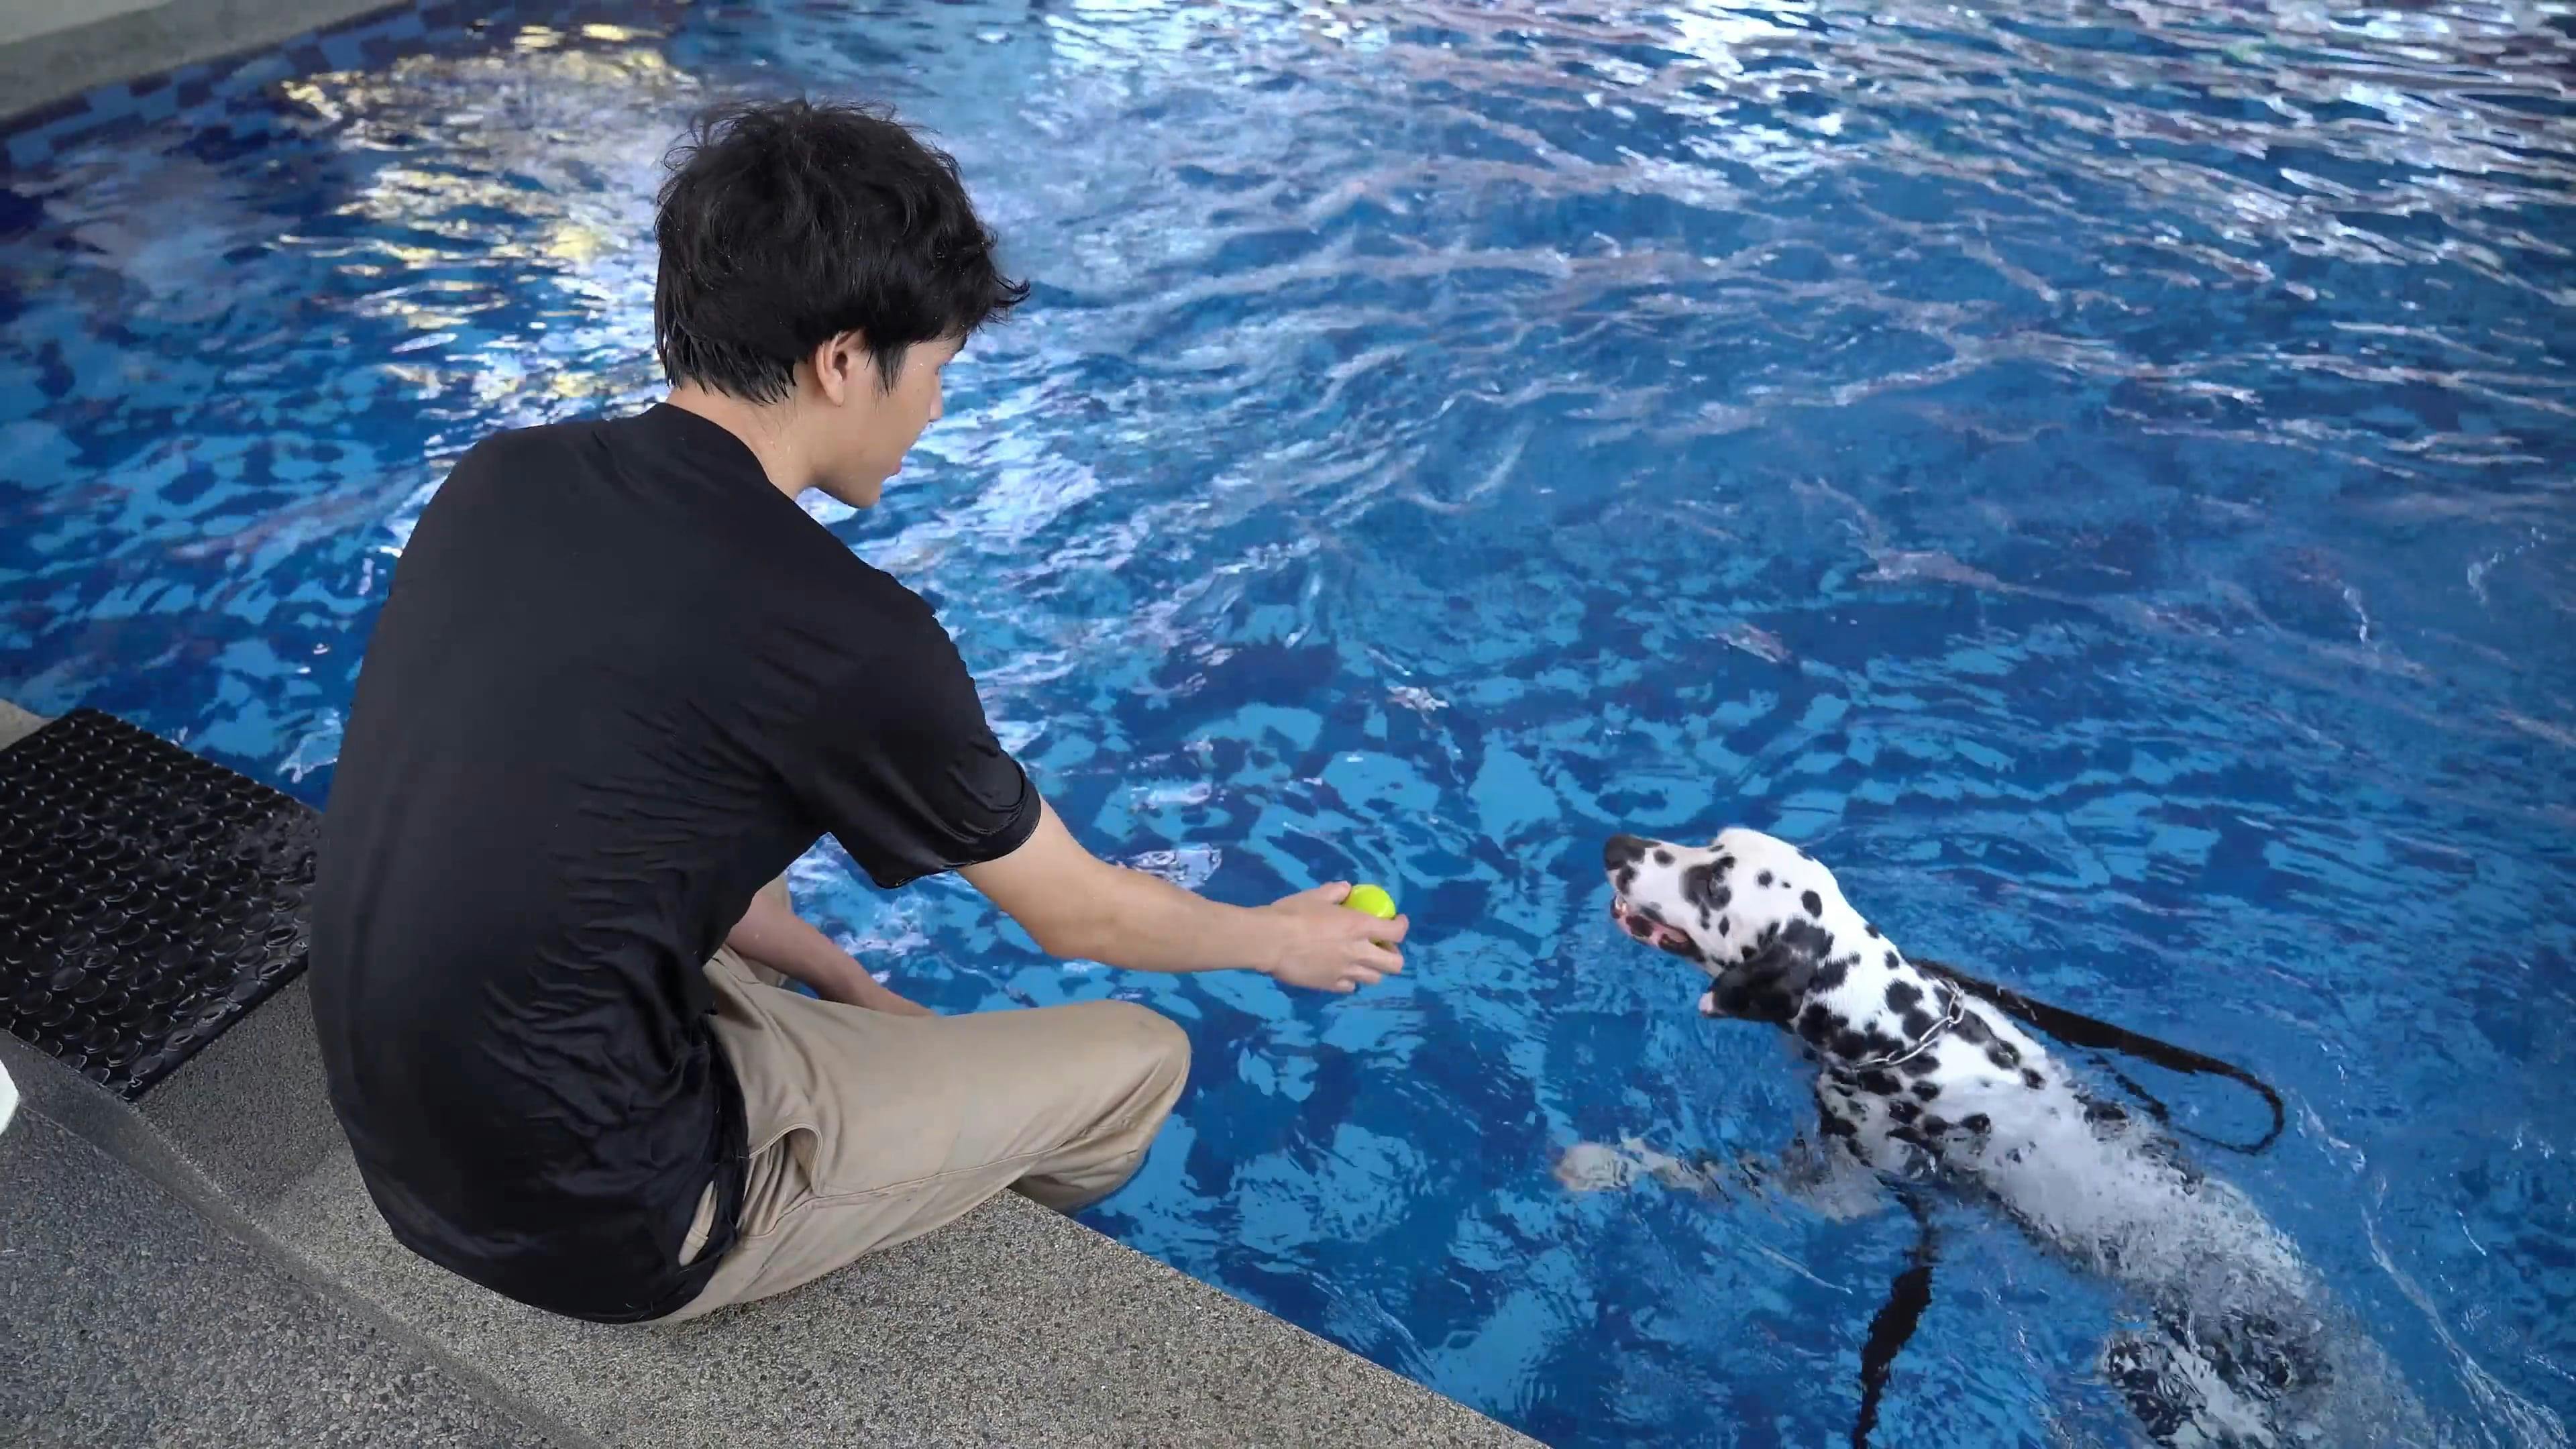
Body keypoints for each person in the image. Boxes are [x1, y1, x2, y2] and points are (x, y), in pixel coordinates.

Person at [306, 97, 1408, 1327]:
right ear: (844, 361)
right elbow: (1075, 911)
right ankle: (954, 1256)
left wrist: (848, 984)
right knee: (1143, 1056)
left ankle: (847, 1077)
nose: (934, 408)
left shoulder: (506, 475)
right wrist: (1276, 940)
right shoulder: (846, 633)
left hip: (398, 1137)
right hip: (602, 1220)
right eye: (934, 372)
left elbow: (634, 829)